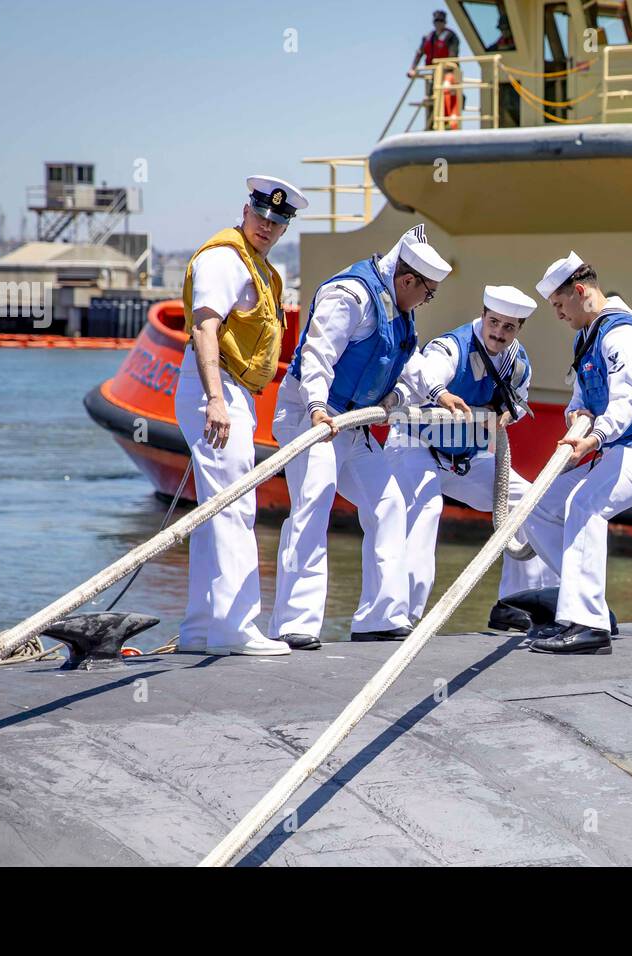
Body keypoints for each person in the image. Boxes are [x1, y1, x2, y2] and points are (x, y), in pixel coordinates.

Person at [269, 226, 468, 649]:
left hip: (352, 424)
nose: (426, 301)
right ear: (407, 280)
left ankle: (380, 616)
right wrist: (318, 409)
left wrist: (437, 392)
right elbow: (318, 353)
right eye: (427, 293)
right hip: (313, 417)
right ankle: (294, 624)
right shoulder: (351, 296)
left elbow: (407, 357)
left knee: (389, 503)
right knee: (313, 504)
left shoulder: (398, 305)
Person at [519, 253, 632, 655]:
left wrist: (593, 440)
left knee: (585, 505)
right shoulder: (586, 337)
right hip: (617, 450)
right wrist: (575, 415)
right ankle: (587, 604)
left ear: (579, 292)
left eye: (558, 305)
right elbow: (581, 397)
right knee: (537, 506)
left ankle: (589, 627)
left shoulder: (623, 335)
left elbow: (626, 401)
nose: (557, 314)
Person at [175, 175, 308, 657]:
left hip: (231, 391)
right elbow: (205, 327)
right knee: (234, 508)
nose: (267, 227)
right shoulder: (224, 259)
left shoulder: (258, 266)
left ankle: (201, 629)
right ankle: (237, 628)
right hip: (217, 388)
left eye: (278, 221)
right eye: (262, 216)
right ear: (245, 209)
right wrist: (215, 399)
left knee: (216, 512)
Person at [388, 284, 558, 632]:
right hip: (416, 444)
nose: (499, 332)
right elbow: (428, 373)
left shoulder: (517, 363)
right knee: (426, 509)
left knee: (530, 503)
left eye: (509, 327)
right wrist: (443, 394)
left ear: (518, 329)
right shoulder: (451, 347)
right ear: (483, 316)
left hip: (465, 457)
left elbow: (519, 404)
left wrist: (508, 415)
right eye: (493, 322)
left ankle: (517, 602)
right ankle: (402, 616)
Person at [408, 10, 462, 128]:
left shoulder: (451, 37)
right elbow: (419, 53)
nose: (439, 23)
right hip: (435, 74)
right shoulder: (428, 37)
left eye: (441, 21)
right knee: (433, 98)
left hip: (449, 73)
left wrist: (446, 66)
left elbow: (453, 54)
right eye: (437, 21)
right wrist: (412, 68)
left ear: (445, 22)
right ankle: (432, 125)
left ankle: (449, 124)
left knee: (448, 93)